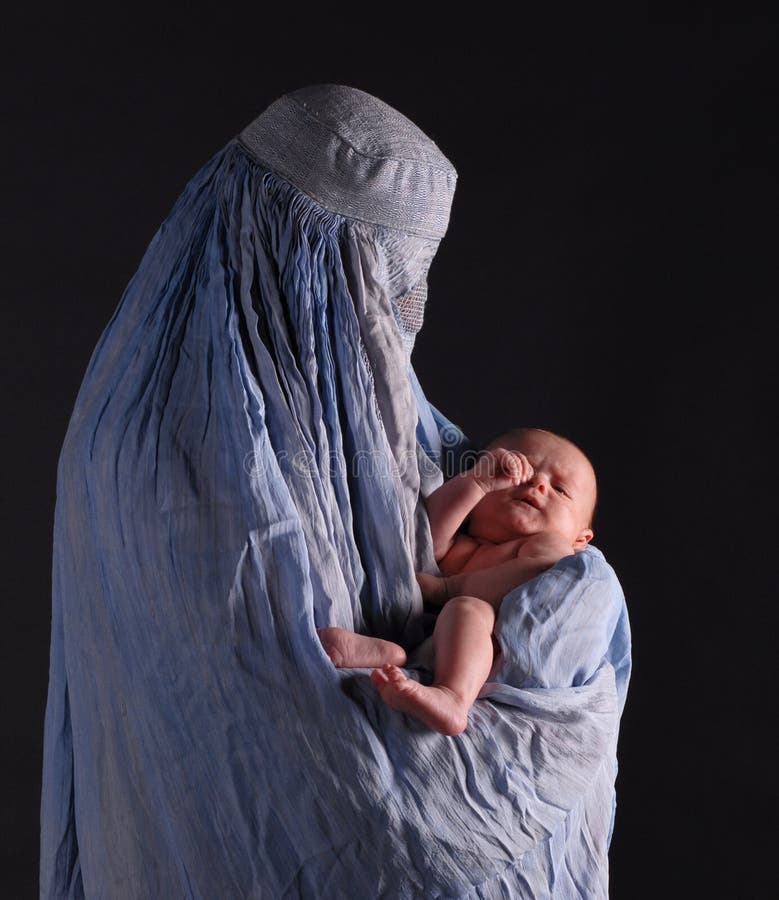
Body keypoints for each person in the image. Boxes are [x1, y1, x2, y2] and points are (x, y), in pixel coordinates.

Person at [318, 426, 598, 735]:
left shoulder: (549, 547)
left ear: (580, 540)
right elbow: (425, 541)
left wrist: (448, 588)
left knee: (468, 609)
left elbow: (537, 571)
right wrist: (477, 483)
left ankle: (453, 698)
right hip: (427, 644)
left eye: (560, 490)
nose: (537, 483)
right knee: (404, 639)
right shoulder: (465, 544)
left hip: (483, 657)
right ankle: (389, 657)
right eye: (518, 469)